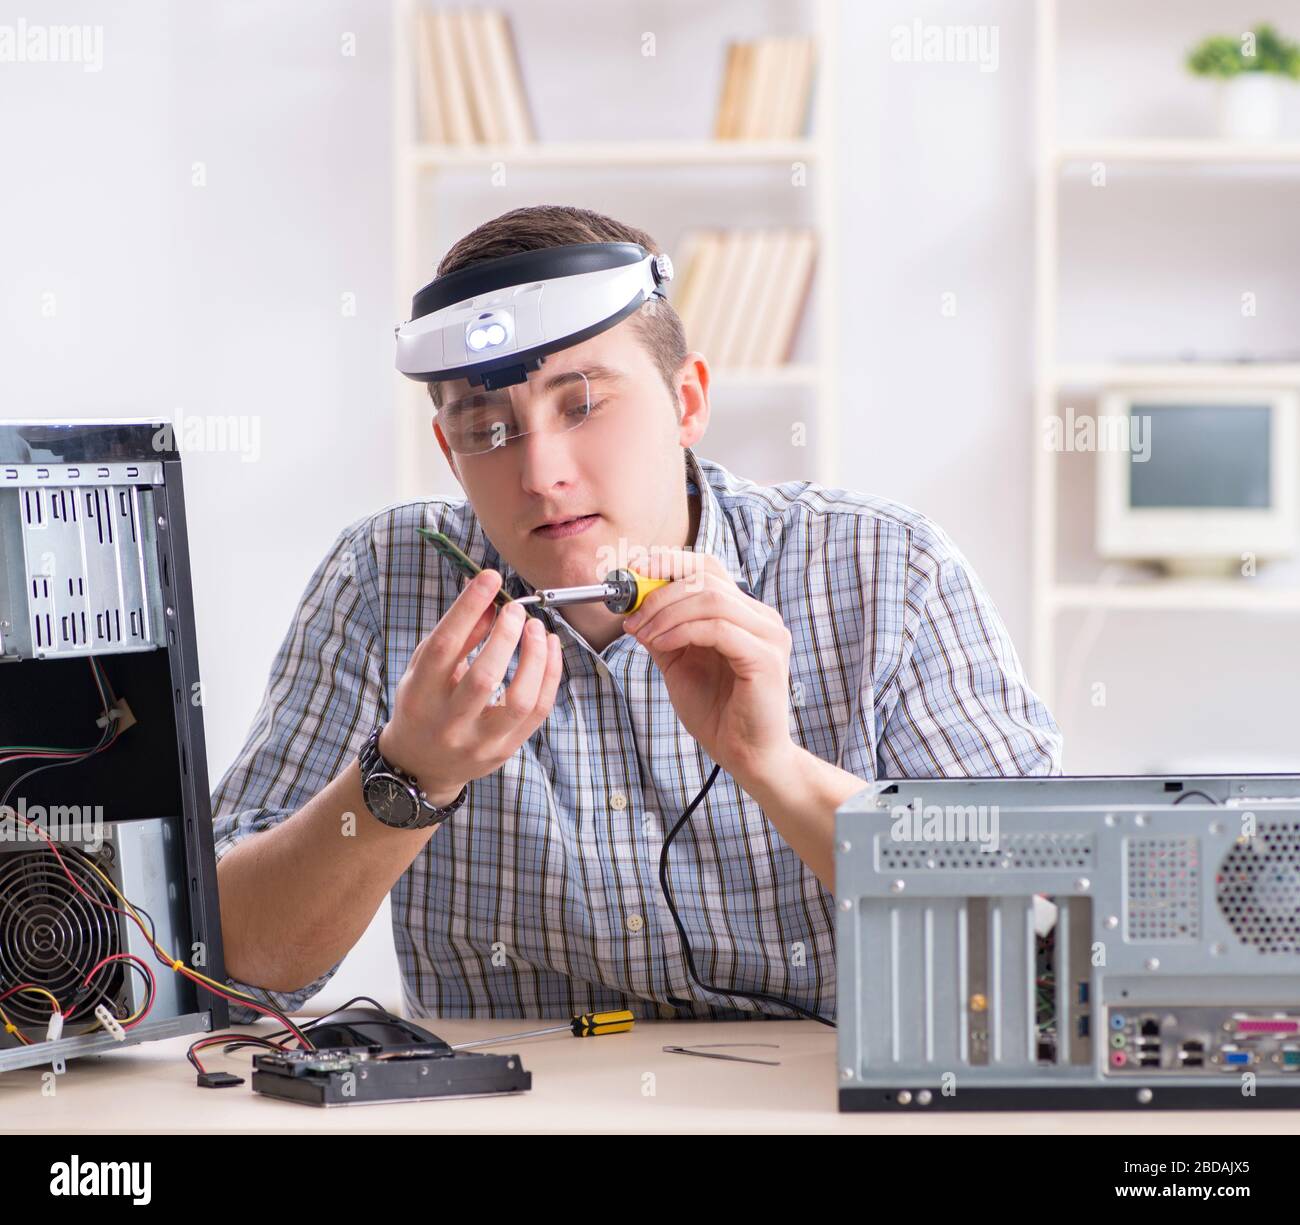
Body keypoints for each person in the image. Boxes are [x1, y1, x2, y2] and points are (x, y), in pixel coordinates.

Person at [212, 204, 1062, 1023]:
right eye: (486, 428)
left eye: (581, 405)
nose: (541, 472)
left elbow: (1046, 937)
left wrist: (774, 766)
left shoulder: (888, 571)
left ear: (688, 401)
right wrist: (407, 776)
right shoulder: (382, 580)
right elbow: (232, 967)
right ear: (449, 450)